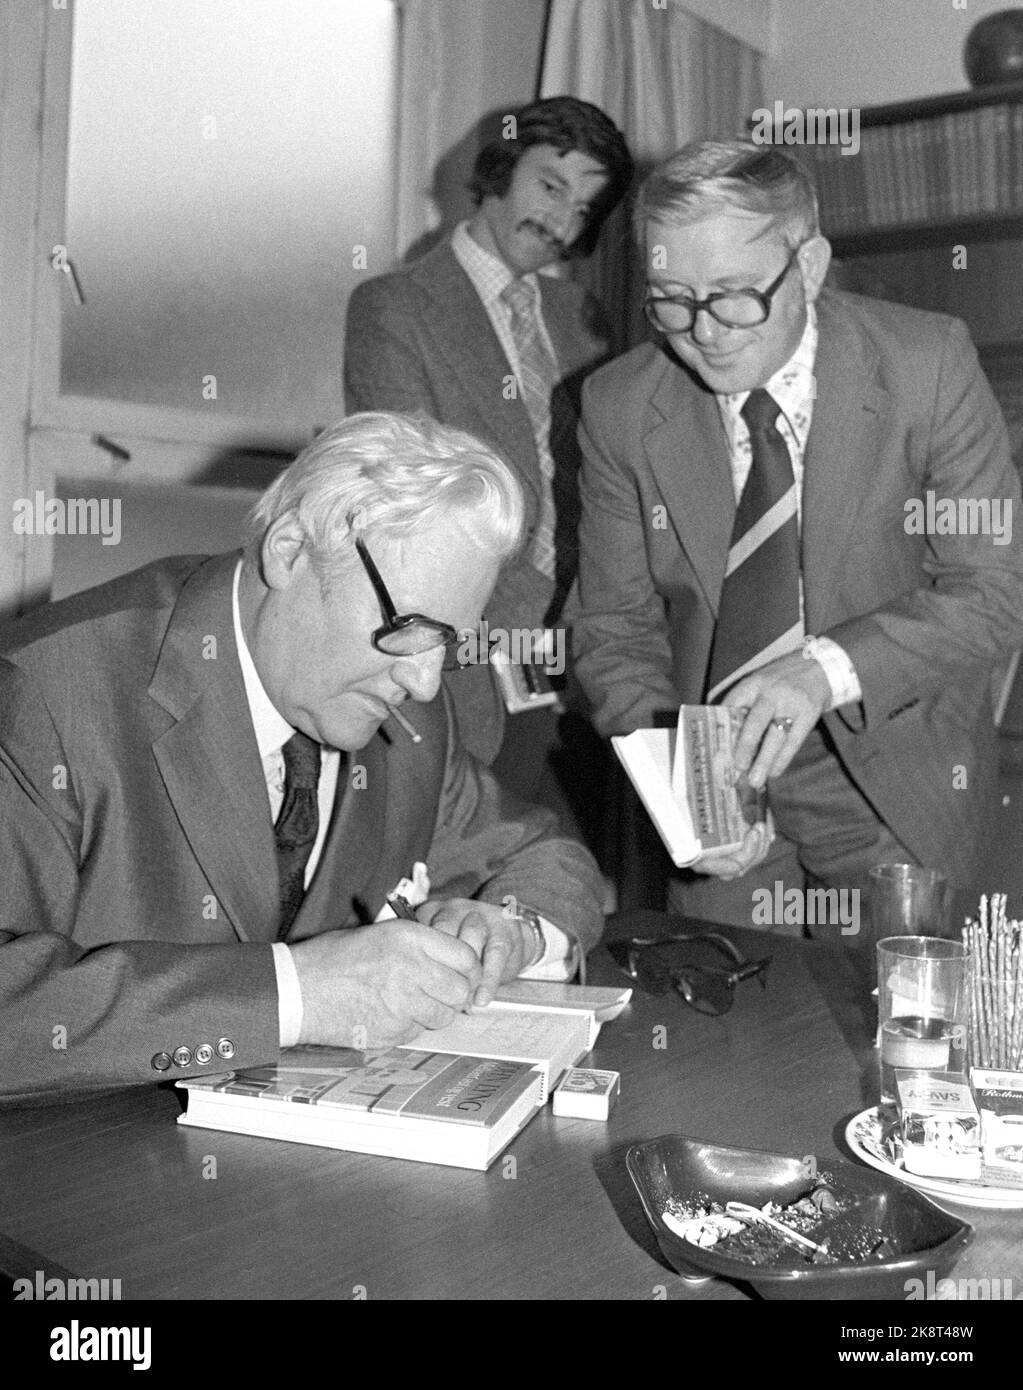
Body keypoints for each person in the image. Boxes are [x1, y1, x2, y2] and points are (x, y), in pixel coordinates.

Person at [0, 413, 604, 1102]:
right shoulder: (44, 694)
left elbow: (544, 858)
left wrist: (509, 929)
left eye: (451, 644)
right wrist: (298, 991)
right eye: (410, 630)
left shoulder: (404, 712)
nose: (426, 682)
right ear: (289, 551)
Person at [573, 138, 1023, 941]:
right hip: (719, 794)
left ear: (808, 267)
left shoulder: (925, 364)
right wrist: (684, 788)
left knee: (896, 1032)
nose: (701, 331)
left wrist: (820, 672)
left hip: (894, 782)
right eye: (670, 298)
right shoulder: (617, 406)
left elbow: (995, 588)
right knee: (727, 1043)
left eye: (734, 295)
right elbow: (612, 630)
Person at [344, 96, 633, 784]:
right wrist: (535, 622)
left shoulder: (583, 316)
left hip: (593, 660)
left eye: (585, 207)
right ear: (500, 169)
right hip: (473, 662)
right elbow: (416, 505)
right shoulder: (393, 308)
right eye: (550, 186)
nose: (562, 221)